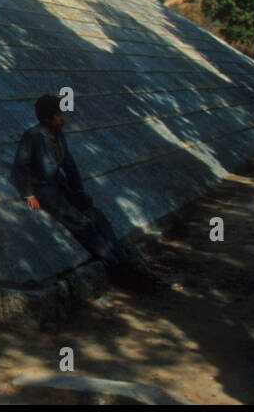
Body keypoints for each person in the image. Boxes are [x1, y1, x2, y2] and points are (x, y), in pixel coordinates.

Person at [11, 95, 163, 291]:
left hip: (59, 184)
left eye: (63, 114)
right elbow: (20, 167)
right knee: (80, 222)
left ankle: (123, 258)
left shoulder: (58, 134)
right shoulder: (32, 136)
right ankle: (115, 266)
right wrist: (29, 194)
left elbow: (69, 165)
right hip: (44, 189)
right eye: (59, 115)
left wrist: (79, 191)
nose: (63, 118)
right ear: (47, 118)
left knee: (96, 215)